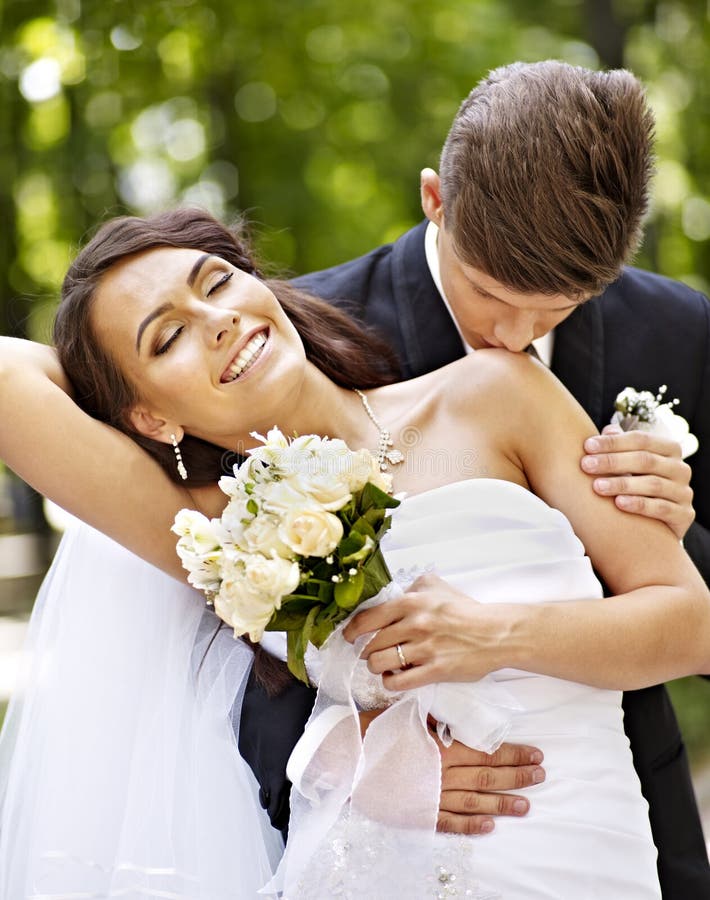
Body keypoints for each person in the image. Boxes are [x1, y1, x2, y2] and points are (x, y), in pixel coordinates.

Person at [0, 182, 708, 895]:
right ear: (149, 420)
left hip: (583, 849)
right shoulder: (213, 530)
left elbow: (693, 624)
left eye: (217, 282)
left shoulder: (497, 394)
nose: (215, 321)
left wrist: (494, 635)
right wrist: (337, 757)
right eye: (169, 335)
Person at [237, 60, 710, 897]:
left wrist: (674, 530)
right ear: (434, 199)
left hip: (613, 817)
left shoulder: (681, 332)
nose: (516, 333)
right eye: (492, 291)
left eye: (562, 305)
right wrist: (373, 768)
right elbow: (223, 624)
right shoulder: (306, 341)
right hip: (374, 835)